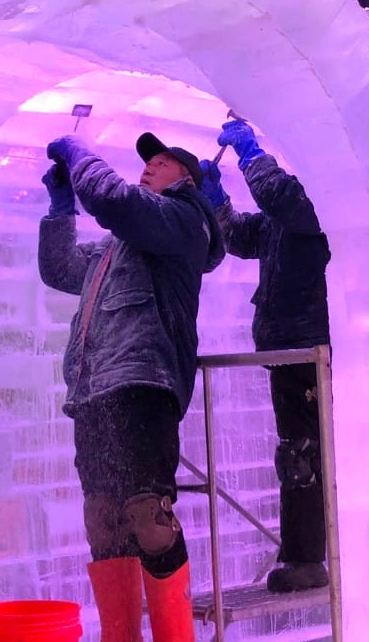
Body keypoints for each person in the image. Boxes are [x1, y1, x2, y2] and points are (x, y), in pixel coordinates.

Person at [38, 130, 224, 641]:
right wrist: (60, 210)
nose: (150, 167)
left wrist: (79, 155)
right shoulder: (119, 246)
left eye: (163, 163)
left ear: (187, 181)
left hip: (142, 384)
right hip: (95, 392)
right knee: (105, 522)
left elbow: (112, 198)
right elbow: (58, 270)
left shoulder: (183, 222)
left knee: (148, 518)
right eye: (148, 161)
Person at [199, 119, 332, 594]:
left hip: (314, 353)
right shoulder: (283, 219)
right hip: (289, 351)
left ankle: (308, 557)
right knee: (297, 455)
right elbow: (238, 236)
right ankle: (303, 557)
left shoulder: (319, 204)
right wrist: (215, 200)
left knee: (308, 455)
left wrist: (249, 153)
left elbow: (278, 196)